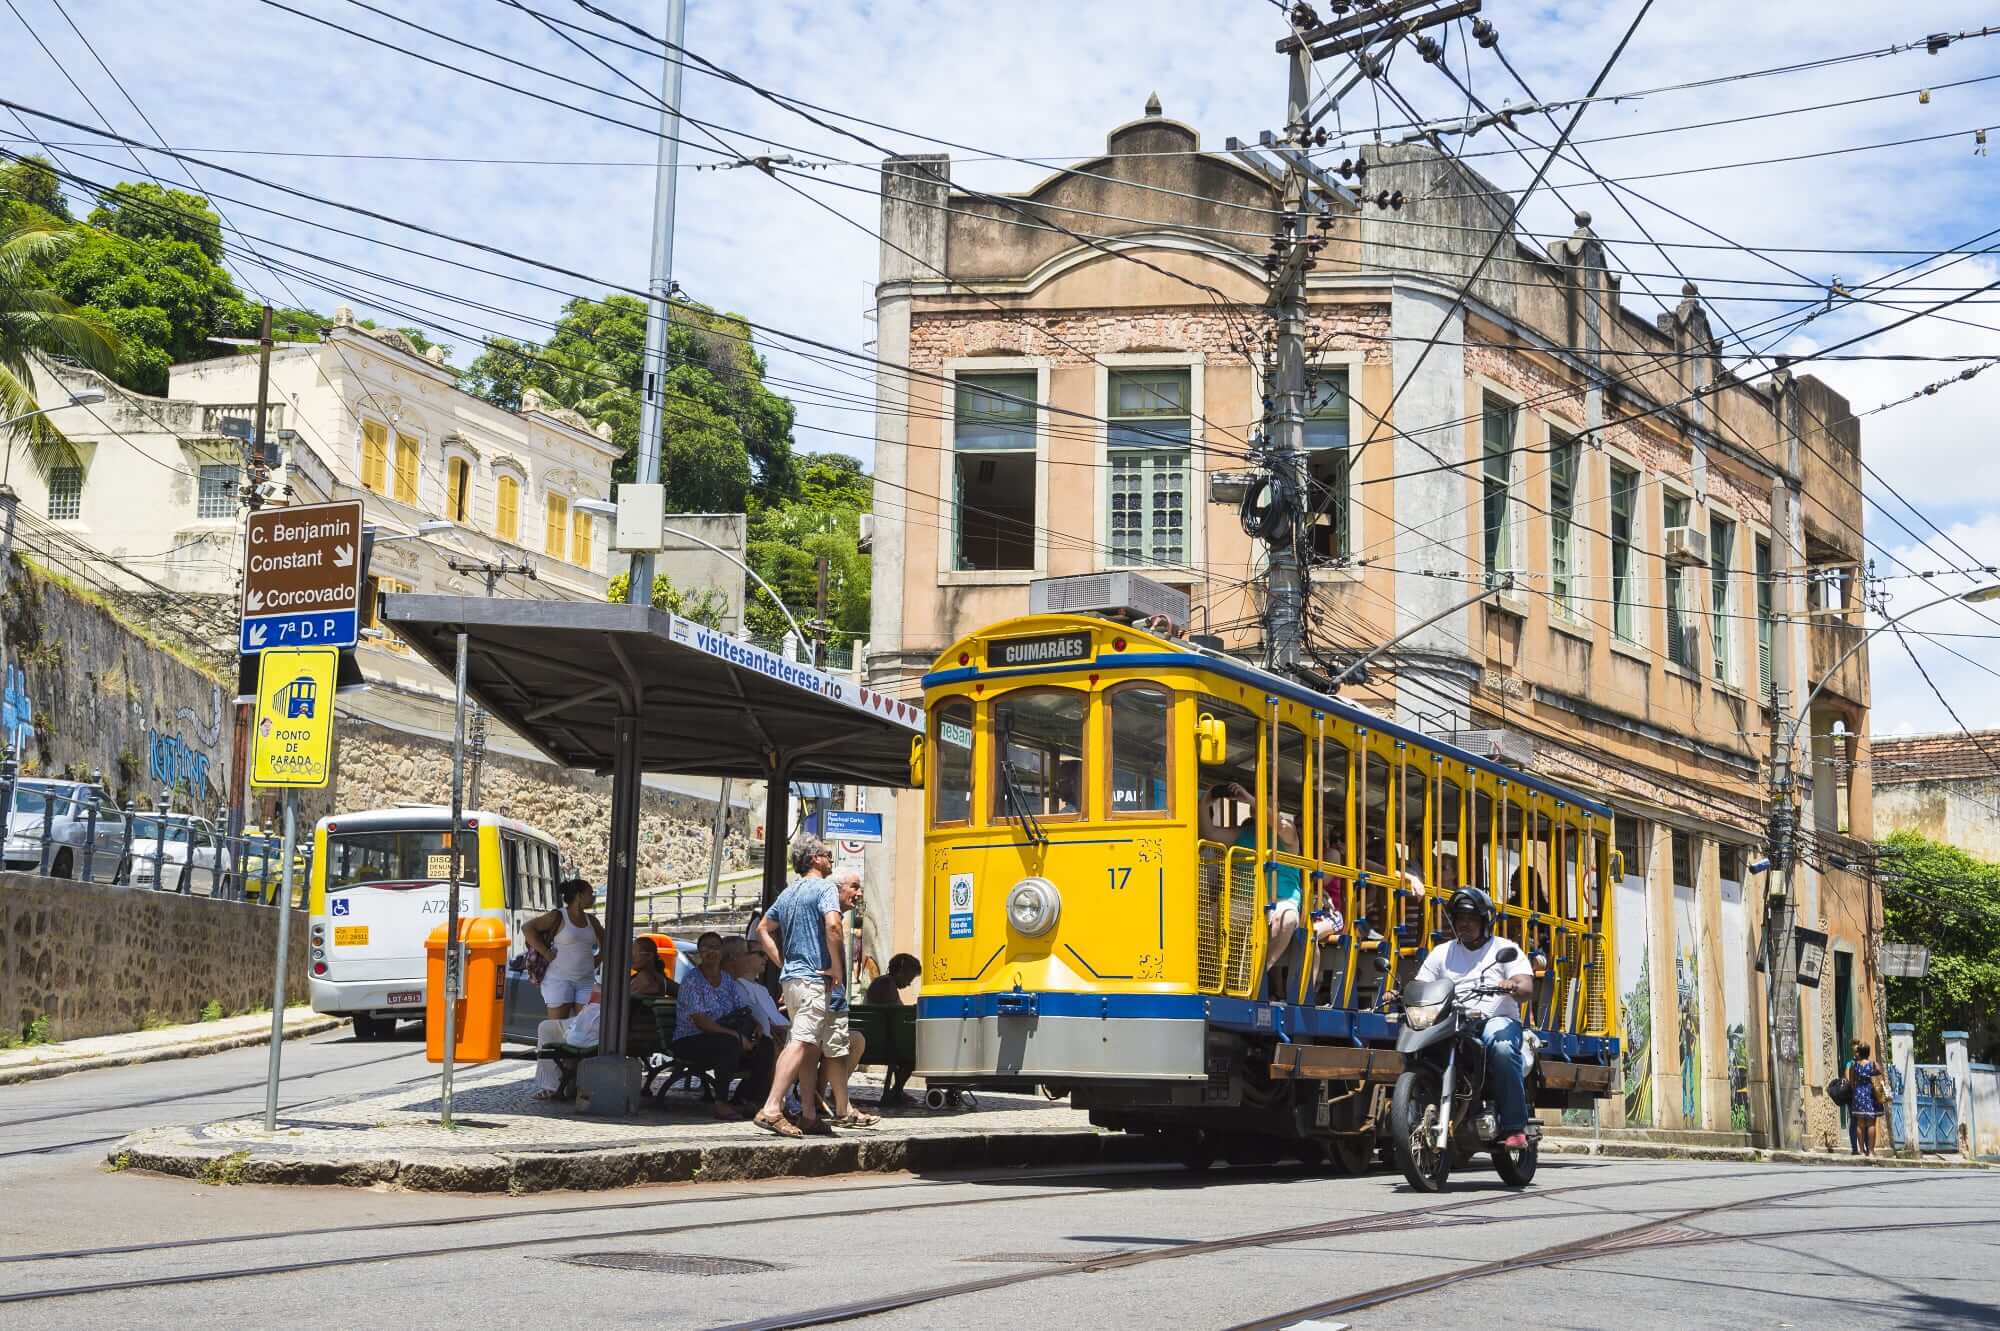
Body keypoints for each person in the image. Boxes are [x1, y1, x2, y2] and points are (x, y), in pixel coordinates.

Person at [752, 845, 876, 1136]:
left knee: (806, 1046)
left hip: (793, 980)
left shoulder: (788, 892)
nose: (831, 859)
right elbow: (833, 927)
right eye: (827, 855)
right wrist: (835, 967)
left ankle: (808, 1114)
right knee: (799, 1043)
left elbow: (762, 930)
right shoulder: (824, 889)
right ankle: (771, 1108)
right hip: (812, 980)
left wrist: (784, 964)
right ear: (815, 859)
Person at [1413, 887, 1537, 1149]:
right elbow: (1421, 984)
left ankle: (1515, 1127)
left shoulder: (1504, 949)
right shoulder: (1442, 952)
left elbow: (1526, 987)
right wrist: (1400, 992)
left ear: (1485, 921)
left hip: (1496, 1020)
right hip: (1454, 1020)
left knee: (1501, 1048)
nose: (1464, 924)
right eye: (1459, 918)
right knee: (1418, 1043)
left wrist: (1512, 984)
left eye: (1471, 918)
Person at [669, 932, 751, 1120]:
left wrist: (755, 1028)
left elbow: (741, 1008)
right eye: (706, 947)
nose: (711, 951)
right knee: (729, 1044)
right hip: (690, 1039)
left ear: (722, 951)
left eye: (715, 947)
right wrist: (736, 1036)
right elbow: (702, 1022)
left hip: (723, 1034)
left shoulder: (727, 980)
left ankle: (748, 1099)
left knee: (765, 1047)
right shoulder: (692, 981)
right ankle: (721, 1103)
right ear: (700, 951)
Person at [525, 879, 604, 1020]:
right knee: (558, 1029)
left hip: (585, 980)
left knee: (583, 1030)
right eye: (590, 893)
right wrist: (545, 952)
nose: (593, 897)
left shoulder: (592, 921)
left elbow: (606, 942)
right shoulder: (558, 916)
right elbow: (527, 928)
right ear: (579, 896)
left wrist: (598, 958)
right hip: (559, 980)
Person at [721, 936, 784, 1107]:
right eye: (760, 954)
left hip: (771, 1035)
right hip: (749, 1039)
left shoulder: (760, 988)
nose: (766, 958)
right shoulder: (735, 986)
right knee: (773, 1046)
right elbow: (762, 1021)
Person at [864, 953, 922, 1106]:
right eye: (909, 978)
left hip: (878, 1041)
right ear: (901, 972)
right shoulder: (886, 985)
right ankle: (896, 1092)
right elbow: (895, 1015)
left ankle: (897, 1091)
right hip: (881, 1045)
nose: (909, 984)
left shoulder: (882, 983)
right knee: (915, 1054)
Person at [1847, 1040, 1886, 1157]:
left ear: (1859, 1052)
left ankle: (1862, 1150)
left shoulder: (1854, 1065)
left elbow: (1852, 1082)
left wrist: (1857, 1090)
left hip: (1858, 1094)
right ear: (1868, 1052)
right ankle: (1871, 1151)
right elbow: (1880, 1074)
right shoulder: (1873, 1064)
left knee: (1859, 1123)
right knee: (1871, 1123)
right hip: (1870, 1095)